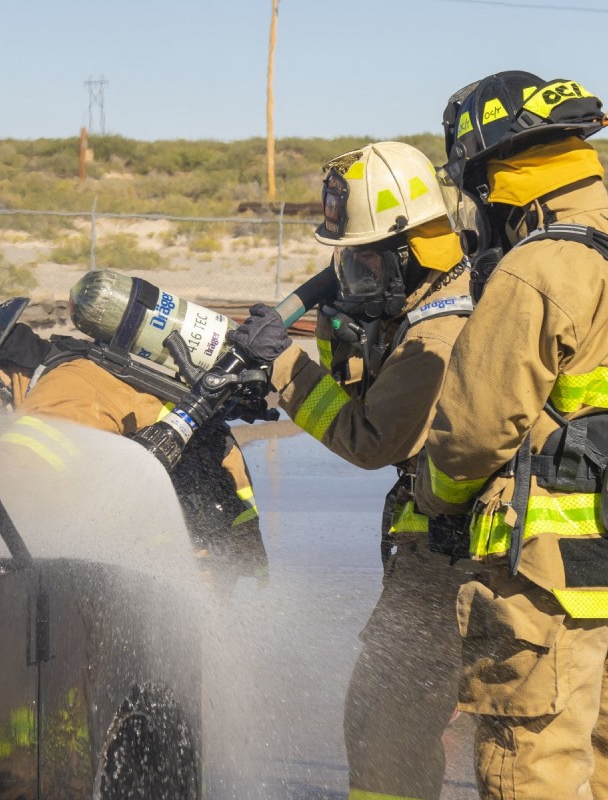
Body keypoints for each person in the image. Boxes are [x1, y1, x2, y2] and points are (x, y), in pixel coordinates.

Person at [414, 71, 608, 799]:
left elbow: (473, 431)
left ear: (496, 176)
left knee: (532, 763)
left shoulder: (539, 266)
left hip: (548, 581)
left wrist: (438, 500)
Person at [227, 140, 474, 800]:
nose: (356, 277)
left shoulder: (438, 331)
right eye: (349, 262)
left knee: (384, 726)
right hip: (446, 551)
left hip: (449, 557)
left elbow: (373, 439)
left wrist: (286, 365)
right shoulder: (437, 299)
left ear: (411, 247)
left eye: (367, 260)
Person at [0, 297, 269, 591]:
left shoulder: (59, 394)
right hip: (196, 522)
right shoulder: (63, 368)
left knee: (159, 663)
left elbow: (12, 485)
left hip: (188, 537)